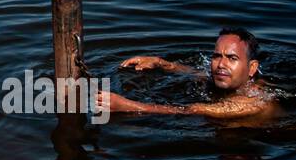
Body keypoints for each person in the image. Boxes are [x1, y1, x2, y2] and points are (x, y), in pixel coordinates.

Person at [99, 27, 279, 120]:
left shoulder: (253, 103)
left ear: (252, 68)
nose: (221, 64)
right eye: (217, 56)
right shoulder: (229, 82)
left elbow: (189, 111)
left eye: (232, 58)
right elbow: (197, 73)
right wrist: (161, 63)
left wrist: (126, 105)